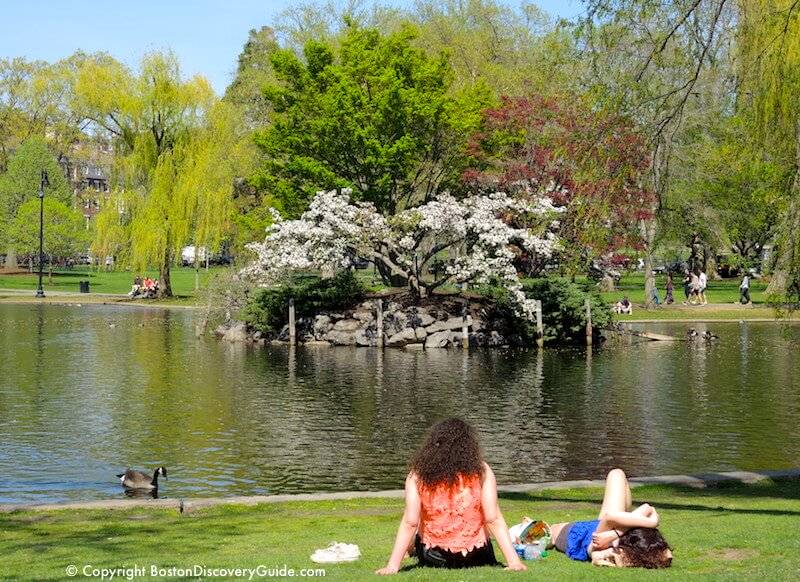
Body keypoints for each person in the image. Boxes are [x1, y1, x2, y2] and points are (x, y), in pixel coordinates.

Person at [376, 418, 526, 574]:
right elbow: (492, 519)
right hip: (477, 555)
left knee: (420, 520)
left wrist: (392, 566)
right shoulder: (482, 470)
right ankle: (411, 549)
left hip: (433, 556)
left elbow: (410, 522)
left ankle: (409, 550)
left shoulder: (418, 474)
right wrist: (513, 562)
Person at [550, 469, 672, 568]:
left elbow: (610, 518)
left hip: (568, 535)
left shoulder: (607, 546)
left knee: (546, 532)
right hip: (600, 527)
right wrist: (617, 533)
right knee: (617, 474)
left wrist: (613, 537)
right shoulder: (618, 538)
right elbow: (647, 508)